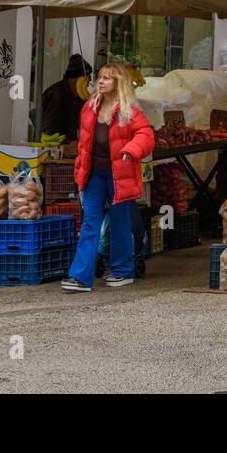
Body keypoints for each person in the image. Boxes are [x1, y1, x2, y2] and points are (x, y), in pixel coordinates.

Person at [63, 64, 156, 292]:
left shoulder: (130, 111)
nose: (101, 81)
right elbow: (85, 142)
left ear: (119, 84)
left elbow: (146, 135)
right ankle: (80, 276)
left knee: (119, 220)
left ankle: (122, 270)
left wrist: (132, 150)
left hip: (120, 174)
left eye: (108, 78)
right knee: (89, 222)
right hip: (93, 173)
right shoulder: (89, 107)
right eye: (100, 78)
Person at [39, 54, 92, 139]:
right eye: (88, 77)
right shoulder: (56, 95)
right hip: (54, 148)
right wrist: (67, 143)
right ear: (76, 78)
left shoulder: (80, 97)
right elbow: (49, 131)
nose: (90, 80)